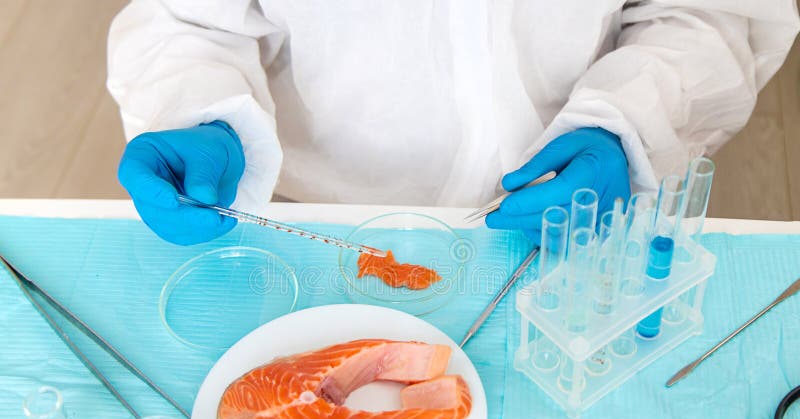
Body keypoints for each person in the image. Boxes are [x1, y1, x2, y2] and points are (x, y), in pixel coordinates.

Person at [109, 1, 799, 245]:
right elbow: (188, 19)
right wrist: (202, 111)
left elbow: (708, 12)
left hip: (577, 214)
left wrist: (631, 123)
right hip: (319, 218)